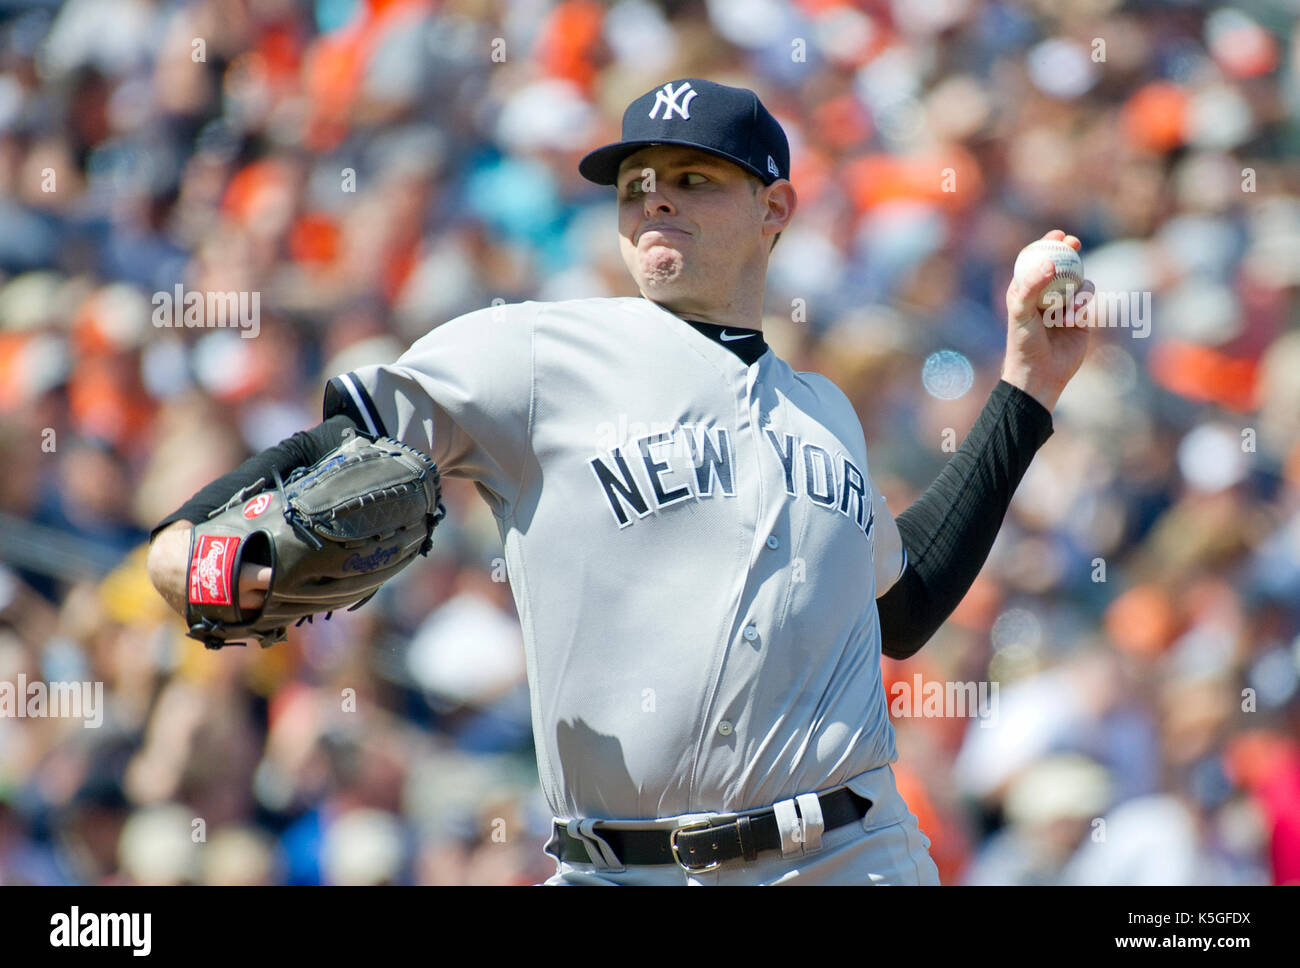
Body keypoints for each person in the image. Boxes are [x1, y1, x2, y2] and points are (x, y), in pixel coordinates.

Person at [147, 78, 1093, 885]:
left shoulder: (824, 413)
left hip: (850, 855)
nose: (655, 200)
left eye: (693, 178)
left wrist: (1026, 388)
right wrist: (186, 548)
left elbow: (904, 607)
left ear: (776, 209)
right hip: (614, 866)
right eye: (635, 184)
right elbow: (339, 448)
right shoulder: (531, 351)